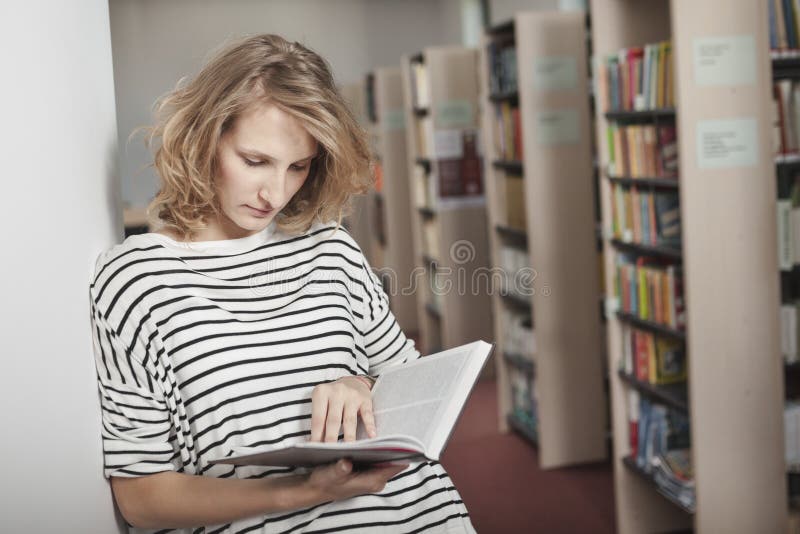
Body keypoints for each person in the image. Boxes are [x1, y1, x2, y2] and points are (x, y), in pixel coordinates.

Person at [88, 34, 476, 534]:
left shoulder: (331, 249)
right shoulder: (135, 282)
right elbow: (143, 498)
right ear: (204, 136)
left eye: (298, 166)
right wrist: (305, 489)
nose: (275, 192)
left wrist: (361, 384)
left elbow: (417, 391)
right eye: (255, 161)